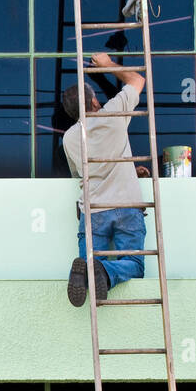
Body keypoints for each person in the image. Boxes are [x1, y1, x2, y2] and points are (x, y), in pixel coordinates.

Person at [62, 51, 150, 307]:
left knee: (89, 266)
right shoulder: (112, 114)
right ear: (93, 103)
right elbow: (137, 81)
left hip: (94, 211)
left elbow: (87, 172)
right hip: (126, 206)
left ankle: (93, 267)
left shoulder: (69, 138)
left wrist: (129, 168)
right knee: (134, 263)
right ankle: (107, 272)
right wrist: (107, 64)